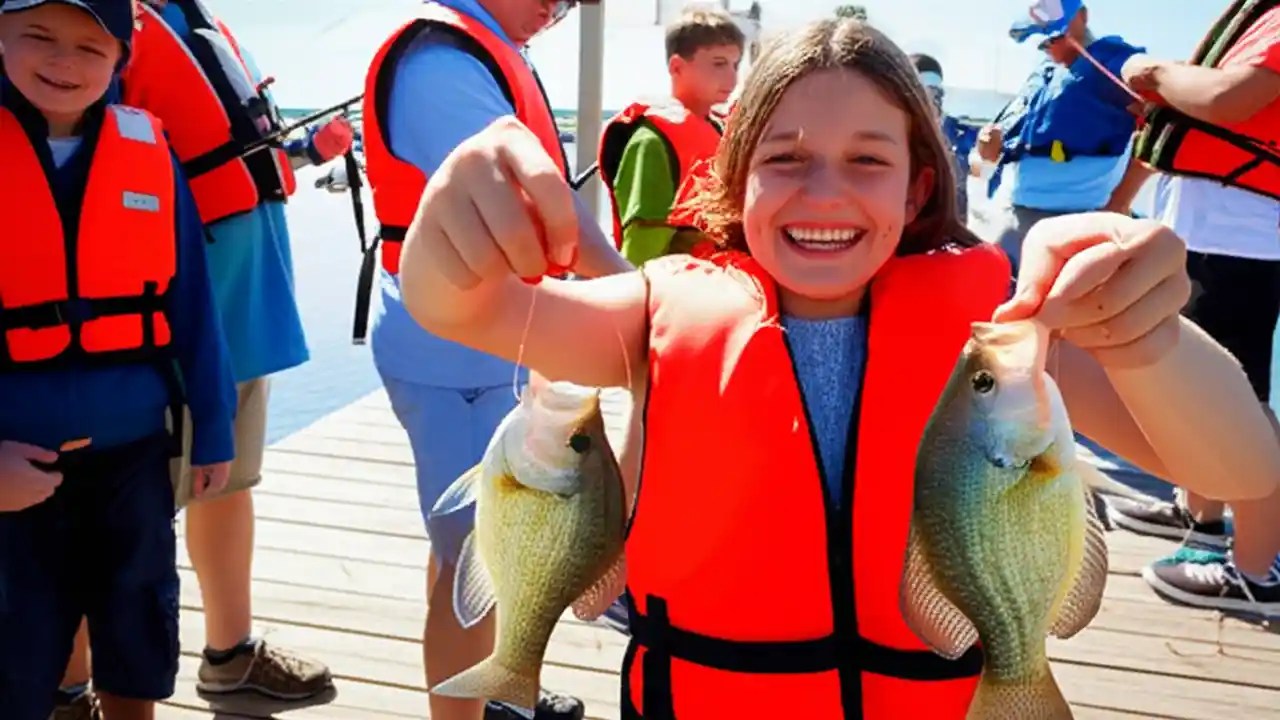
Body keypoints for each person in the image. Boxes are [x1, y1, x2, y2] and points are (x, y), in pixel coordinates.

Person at [395, 17, 1280, 718]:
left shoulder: (1005, 339)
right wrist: (449, 215)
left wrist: (1144, 336)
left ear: (918, 186)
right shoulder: (653, 312)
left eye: (867, 160)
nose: (825, 193)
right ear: (735, 181)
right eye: (784, 160)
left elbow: (1235, 471)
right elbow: (463, 307)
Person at [51, 1, 350, 714]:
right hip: (162, 312)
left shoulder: (183, 15)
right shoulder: (90, 19)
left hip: (242, 304)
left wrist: (305, 151)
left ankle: (230, 653)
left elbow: (219, 140)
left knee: (231, 479)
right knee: (106, 498)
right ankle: (67, 685)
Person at [359, 1, 627, 718]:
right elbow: (532, 212)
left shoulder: (490, 50)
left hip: (493, 349)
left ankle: (488, 690)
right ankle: (468, 706)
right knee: (469, 560)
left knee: (477, 550)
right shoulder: (440, 60)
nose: (558, 7)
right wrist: (638, 299)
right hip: (453, 356)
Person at [0, 1, 237, 719]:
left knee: (138, 628)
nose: (64, 63)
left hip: (133, 458)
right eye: (38, 37)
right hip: (13, 465)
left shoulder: (149, 151)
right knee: (18, 650)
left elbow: (194, 304)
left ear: (121, 60)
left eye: (90, 47)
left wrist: (215, 426)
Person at [1097, 0, 1280, 619]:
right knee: (1193, 393)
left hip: (1248, 240)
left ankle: (1260, 566)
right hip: (1202, 232)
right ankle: (1200, 517)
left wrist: (1152, 70)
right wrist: (1118, 205)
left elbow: (1230, 98)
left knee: (1241, 401)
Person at [976, 0, 1145, 271]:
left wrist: (1120, 202)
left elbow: (1159, 129)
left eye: (1054, 36)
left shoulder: (1113, 63)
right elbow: (993, 152)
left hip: (1078, 221)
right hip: (1014, 215)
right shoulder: (1041, 76)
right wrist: (987, 146)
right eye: (1041, 41)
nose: (1048, 47)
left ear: (1082, 16)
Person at [598, 6, 743, 266]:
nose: (732, 77)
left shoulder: (721, 133)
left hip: (722, 284)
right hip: (674, 292)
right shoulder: (651, 141)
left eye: (735, 65)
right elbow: (641, 244)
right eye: (719, 64)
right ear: (677, 67)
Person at [911, 52, 977, 220]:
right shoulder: (892, 136)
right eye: (927, 93)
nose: (934, 100)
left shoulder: (961, 134)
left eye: (937, 93)